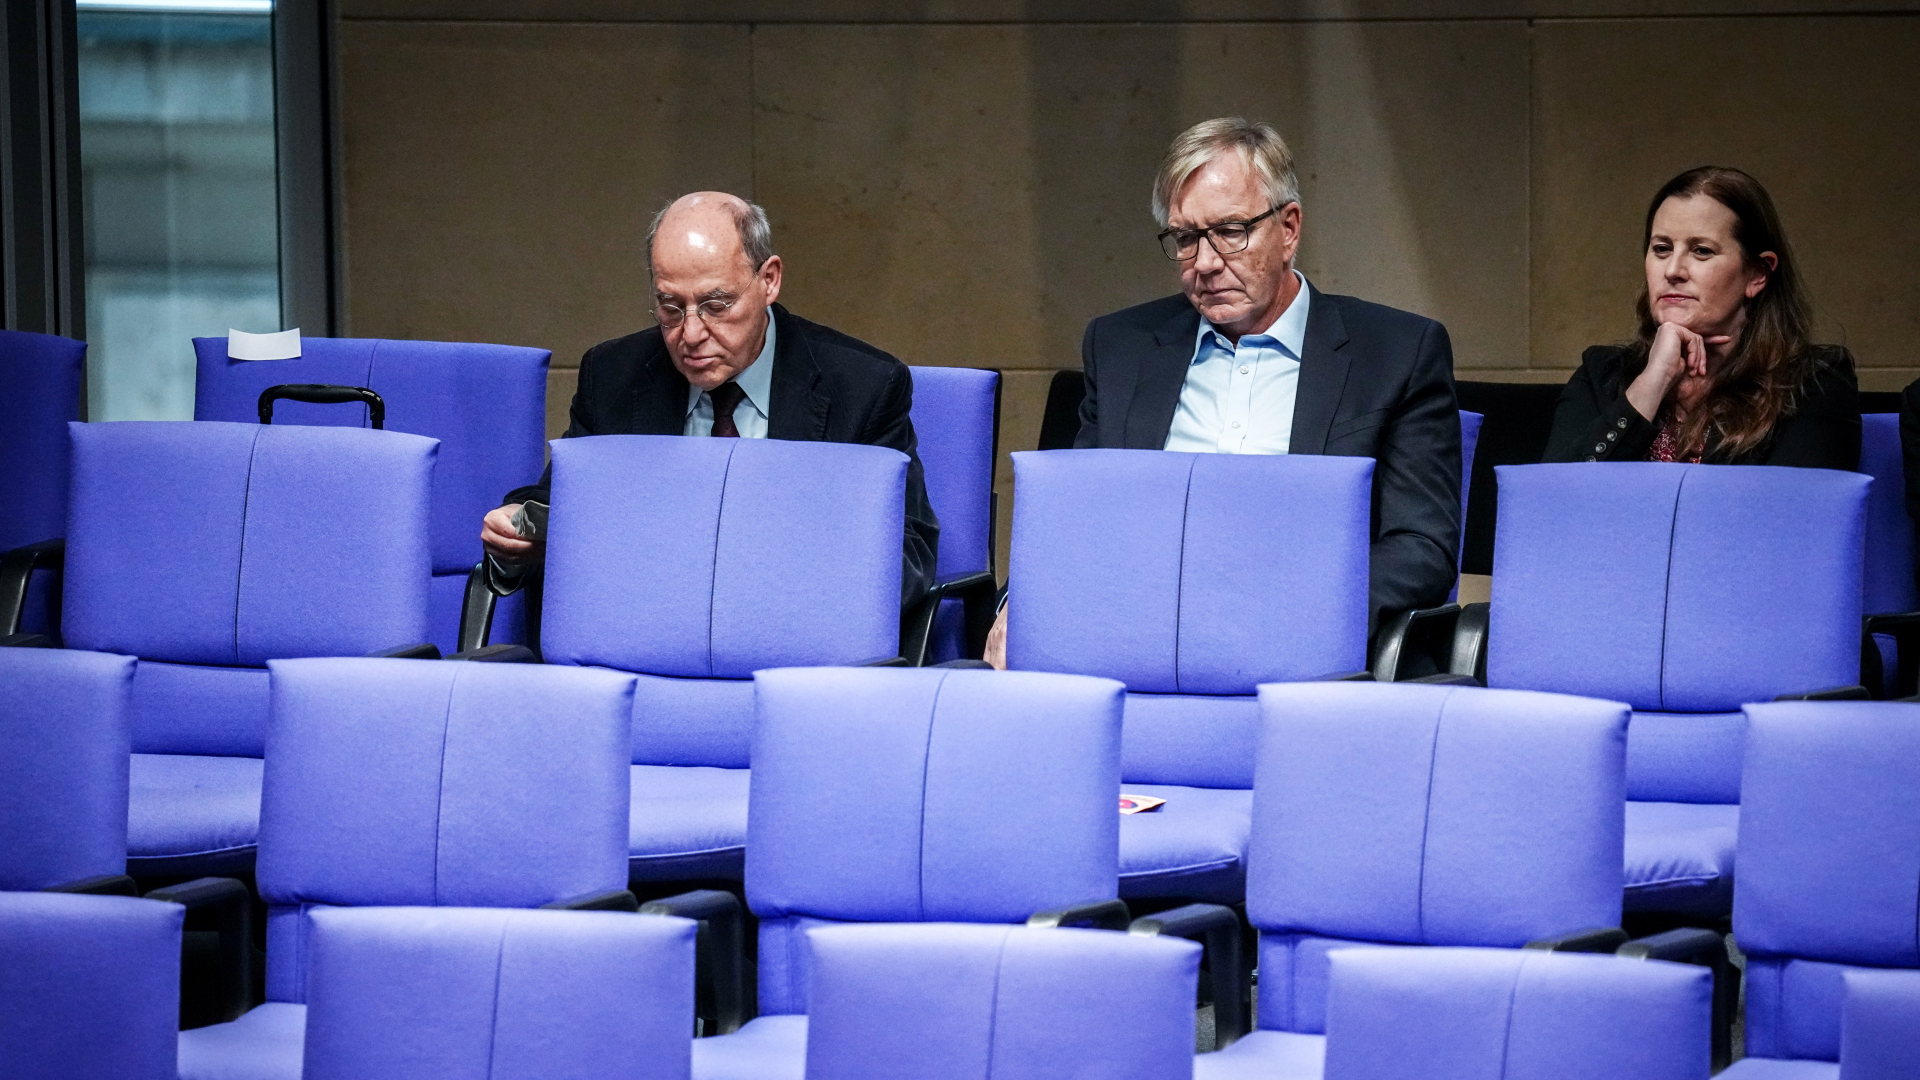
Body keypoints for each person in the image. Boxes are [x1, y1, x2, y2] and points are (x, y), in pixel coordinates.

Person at [984, 117, 1462, 667]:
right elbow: (1077, 523)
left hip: (1306, 655)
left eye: (1231, 231)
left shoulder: (1394, 354)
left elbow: (1420, 548)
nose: (1206, 263)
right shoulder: (1121, 350)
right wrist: (1022, 603)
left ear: (1288, 229)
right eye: (1186, 239)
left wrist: (1292, 617)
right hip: (1135, 641)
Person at [481, 191, 939, 604]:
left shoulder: (862, 386)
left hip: (795, 638)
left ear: (769, 280)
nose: (692, 333)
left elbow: (908, 557)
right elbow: (557, 503)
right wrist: (517, 529)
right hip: (646, 635)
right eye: (670, 307)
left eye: (717, 306)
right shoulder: (613, 375)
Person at [1543, 166, 1859, 470]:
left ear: (1757, 274)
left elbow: (1791, 514)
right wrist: (1653, 381)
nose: (1673, 271)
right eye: (1662, 248)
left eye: (1702, 251)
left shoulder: (1814, 381)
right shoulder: (1601, 374)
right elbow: (1553, 502)